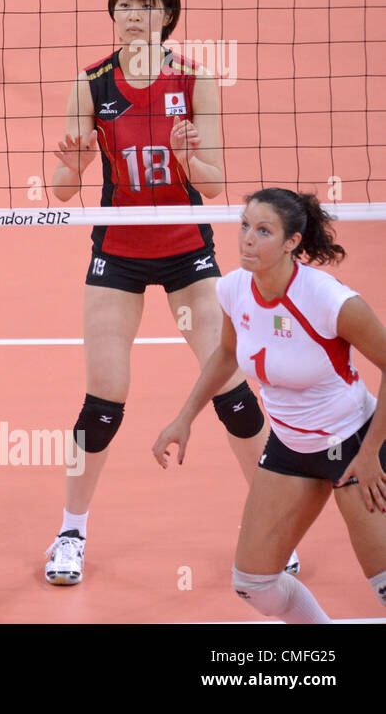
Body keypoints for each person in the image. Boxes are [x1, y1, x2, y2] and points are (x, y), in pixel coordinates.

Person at [42, 0, 294, 586]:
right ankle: (70, 531)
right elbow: (58, 192)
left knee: (232, 392)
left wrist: (188, 157)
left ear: (168, 17)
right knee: (104, 400)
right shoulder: (92, 84)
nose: (133, 14)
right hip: (118, 253)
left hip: (187, 251)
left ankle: (272, 527)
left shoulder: (194, 79)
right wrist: (71, 167)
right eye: (124, 4)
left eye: (147, 5)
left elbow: (213, 184)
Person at [154, 190, 386, 622]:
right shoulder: (234, 288)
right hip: (290, 448)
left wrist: (372, 453)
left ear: (291, 242)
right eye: (244, 226)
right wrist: (183, 418)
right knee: (253, 584)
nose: (247, 239)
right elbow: (226, 353)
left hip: (352, 444)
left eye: (263, 231)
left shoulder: (327, 299)